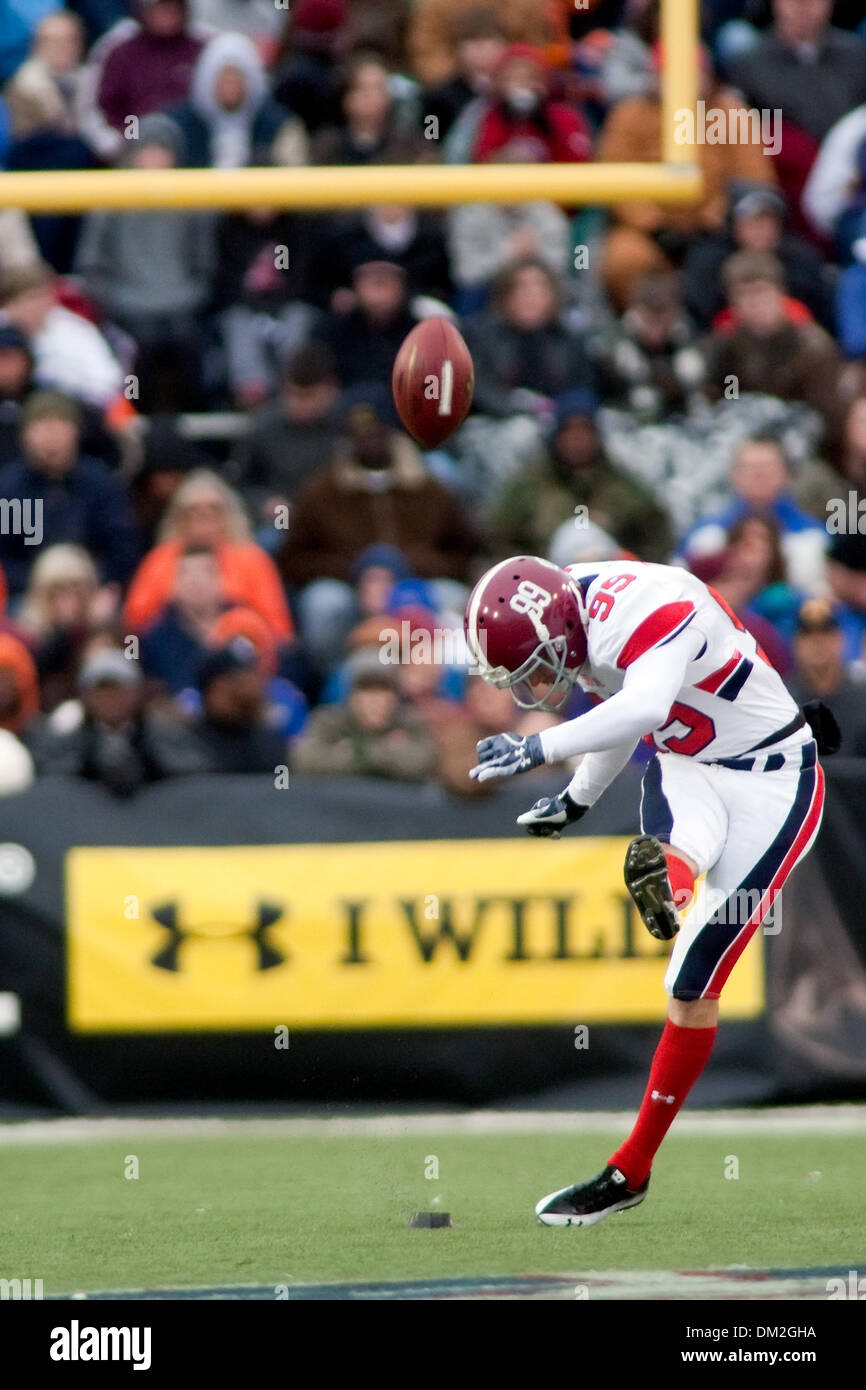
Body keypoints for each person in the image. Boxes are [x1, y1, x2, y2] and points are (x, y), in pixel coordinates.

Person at [464, 553, 828, 1225]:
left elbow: (647, 703)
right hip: (691, 761)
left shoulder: (644, 606)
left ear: (557, 627)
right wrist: (576, 799)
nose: (535, 684)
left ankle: (630, 1169)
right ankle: (671, 882)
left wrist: (539, 752)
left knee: (691, 987)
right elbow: (624, 712)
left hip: (775, 780)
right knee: (672, 849)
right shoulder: (576, 612)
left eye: (533, 666)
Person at [0, 390, 140, 597]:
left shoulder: (100, 482)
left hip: (92, 591)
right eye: (41, 424)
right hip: (28, 596)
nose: (51, 434)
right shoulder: (10, 487)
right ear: (24, 435)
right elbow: (5, 558)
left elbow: (122, 548)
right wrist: (42, 586)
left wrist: (95, 584)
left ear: (76, 431)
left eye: (60, 422)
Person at [124, 468, 293, 638]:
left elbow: (278, 628)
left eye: (213, 509)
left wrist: (227, 605)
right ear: (179, 517)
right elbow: (135, 622)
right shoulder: (160, 560)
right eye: (193, 510)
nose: (203, 516)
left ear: (228, 515)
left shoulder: (253, 559)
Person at [27, 644, 207, 795]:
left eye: (118, 689)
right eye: (102, 690)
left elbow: (196, 774)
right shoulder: (67, 743)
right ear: (85, 695)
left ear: (137, 692)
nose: (110, 699)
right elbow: (49, 781)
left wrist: (150, 760)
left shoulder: (165, 737)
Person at [229, 342, 341, 531]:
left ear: (329, 390)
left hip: (335, 518)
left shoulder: (346, 426)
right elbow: (239, 484)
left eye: (308, 396)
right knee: (274, 540)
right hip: (283, 516)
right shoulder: (263, 427)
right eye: (294, 395)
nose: (300, 404)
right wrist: (264, 502)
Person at [293, 658, 436, 782]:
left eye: (383, 690)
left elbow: (421, 764)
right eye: (366, 690)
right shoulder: (329, 721)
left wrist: (352, 750)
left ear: (396, 696)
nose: (374, 700)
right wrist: (387, 751)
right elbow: (304, 760)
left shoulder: (411, 722)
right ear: (352, 696)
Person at [786, 598, 866, 756]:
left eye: (826, 632)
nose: (817, 641)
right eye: (807, 633)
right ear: (795, 643)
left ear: (841, 639)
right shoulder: (783, 699)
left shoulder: (862, 697)